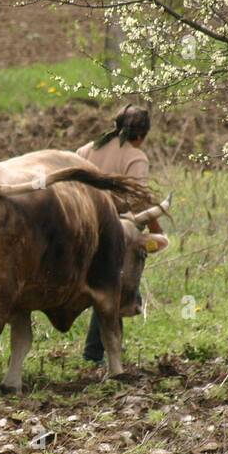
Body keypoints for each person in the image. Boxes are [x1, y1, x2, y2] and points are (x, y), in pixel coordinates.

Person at [75, 105, 161, 365]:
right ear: (141, 135)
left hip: (80, 225)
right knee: (113, 287)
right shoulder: (136, 157)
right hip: (113, 229)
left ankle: (108, 347)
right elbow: (138, 199)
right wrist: (157, 228)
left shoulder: (85, 150)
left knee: (102, 284)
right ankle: (95, 351)